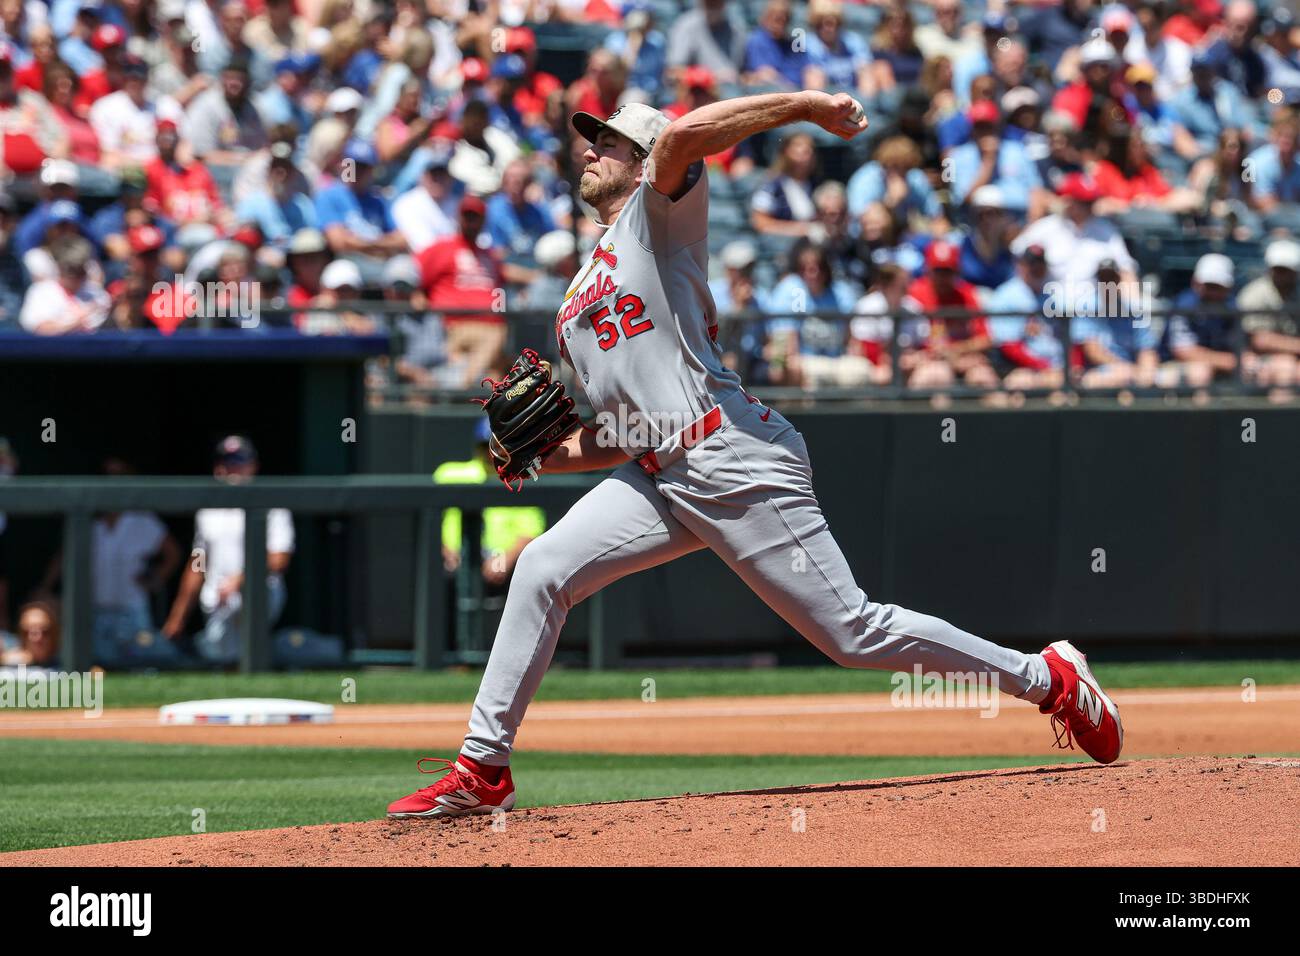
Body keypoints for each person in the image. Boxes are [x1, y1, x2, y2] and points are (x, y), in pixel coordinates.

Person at [386, 92, 1124, 820]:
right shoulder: (575, 296)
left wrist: (803, 106)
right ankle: (483, 768)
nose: (589, 149)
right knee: (543, 568)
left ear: (642, 161)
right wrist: (542, 457)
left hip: (732, 453)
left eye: (608, 142)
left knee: (852, 632)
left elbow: (684, 137)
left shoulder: (657, 220)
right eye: (590, 140)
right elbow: (621, 434)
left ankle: (1048, 677)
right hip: (660, 471)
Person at [162, 436, 294, 665]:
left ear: (253, 466)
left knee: (251, 657)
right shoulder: (208, 510)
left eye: (238, 461)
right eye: (226, 461)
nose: (231, 468)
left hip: (258, 595)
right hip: (217, 600)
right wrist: (178, 616)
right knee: (220, 659)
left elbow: (279, 559)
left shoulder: (271, 504)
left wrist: (240, 578)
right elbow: (198, 562)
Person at [1238, 238, 1300, 386]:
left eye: (1286, 270)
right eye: (1278, 269)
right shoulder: (1254, 294)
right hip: (1258, 357)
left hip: (1293, 357)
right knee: (1285, 370)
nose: (1281, 274)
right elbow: (1260, 341)